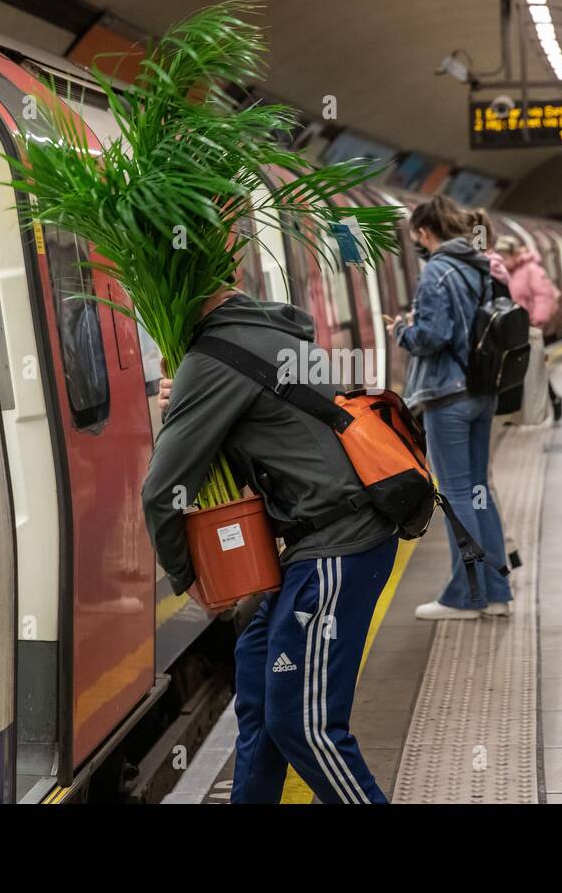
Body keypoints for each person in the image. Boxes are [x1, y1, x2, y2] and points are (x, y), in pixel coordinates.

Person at [142, 284, 398, 804]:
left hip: (337, 547)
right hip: (330, 539)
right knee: (259, 694)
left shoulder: (214, 354)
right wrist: (187, 406)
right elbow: (264, 442)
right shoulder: (263, 333)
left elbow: (161, 491)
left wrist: (184, 575)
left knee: (307, 727)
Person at [387, 196, 512, 620]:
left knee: (457, 495)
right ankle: (496, 593)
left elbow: (431, 337)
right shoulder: (478, 264)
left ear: (424, 232)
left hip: (448, 396)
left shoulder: (437, 271)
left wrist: (402, 329)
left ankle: (466, 596)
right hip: (481, 389)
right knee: (479, 490)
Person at [494, 236, 562, 422]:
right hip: (514, 328)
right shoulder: (504, 272)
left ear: (516, 254)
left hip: (529, 327)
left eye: (505, 255)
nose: (502, 258)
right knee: (521, 367)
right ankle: (518, 412)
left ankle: (552, 401)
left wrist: (536, 320)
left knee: (534, 367)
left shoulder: (532, 270)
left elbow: (543, 296)